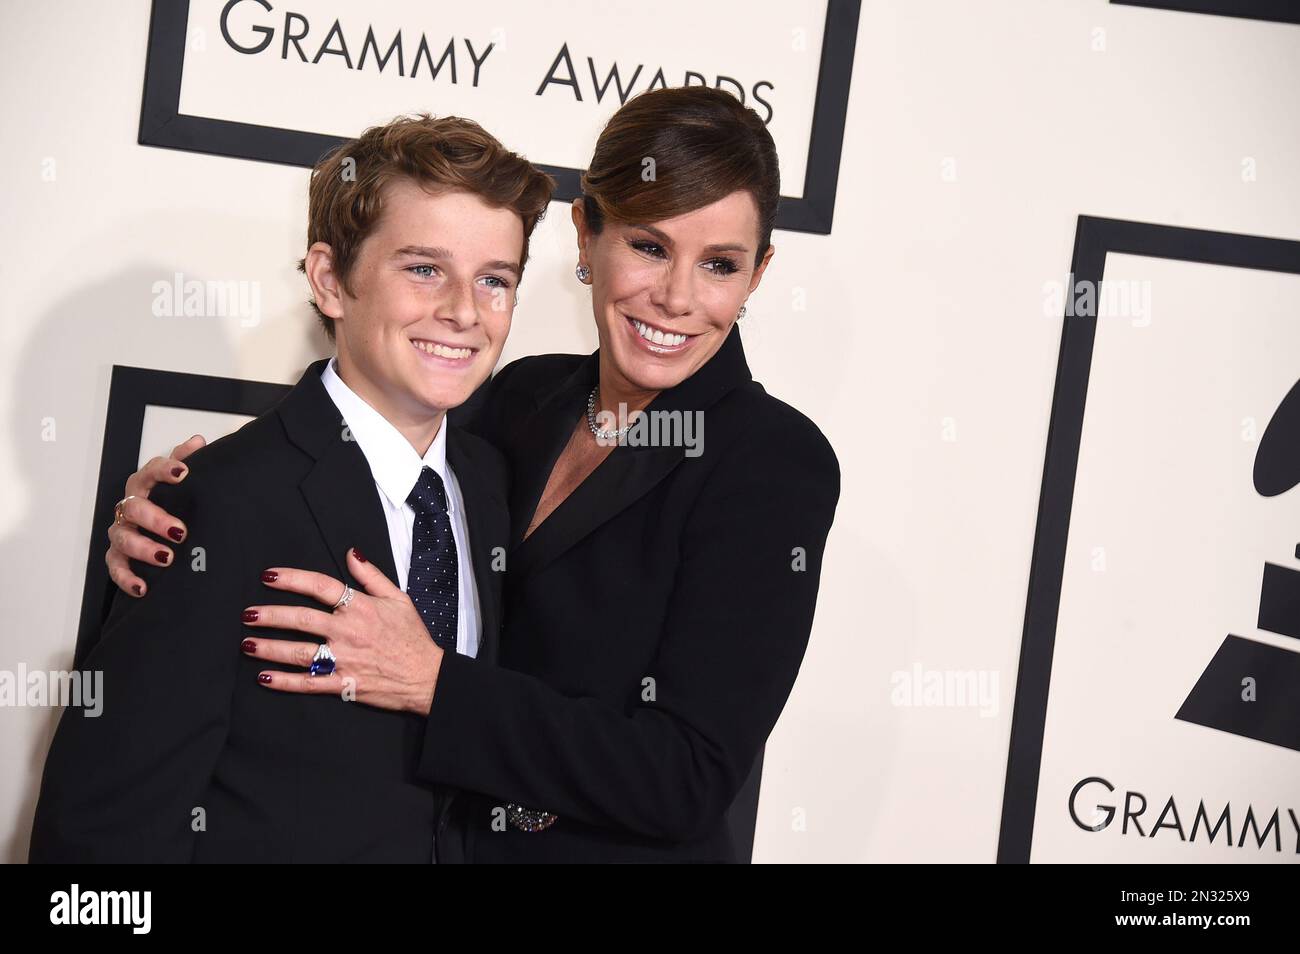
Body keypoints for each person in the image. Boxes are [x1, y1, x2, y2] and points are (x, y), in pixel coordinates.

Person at [101, 86, 840, 862]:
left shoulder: (771, 462)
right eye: (650, 247)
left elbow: (686, 777)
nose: (678, 298)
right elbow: (356, 460)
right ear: (586, 238)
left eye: (720, 264)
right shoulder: (523, 399)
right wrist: (183, 507)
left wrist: (433, 683)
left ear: (756, 275)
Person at [29, 115, 555, 862]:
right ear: (331, 279)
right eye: (424, 269)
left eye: (494, 280)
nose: (465, 311)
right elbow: (96, 837)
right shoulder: (217, 503)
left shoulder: (498, 484)